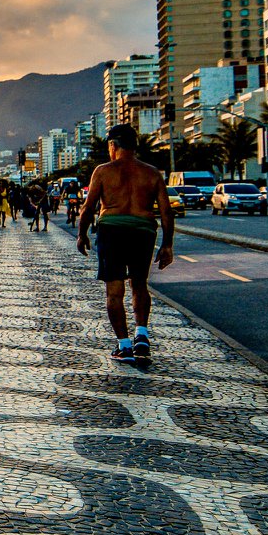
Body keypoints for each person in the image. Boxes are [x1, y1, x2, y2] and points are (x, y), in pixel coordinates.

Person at [76, 123, 175, 365]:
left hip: (112, 231)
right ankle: (142, 335)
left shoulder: (103, 171)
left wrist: (82, 234)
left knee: (114, 291)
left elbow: (88, 208)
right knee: (140, 284)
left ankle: (124, 346)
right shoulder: (152, 173)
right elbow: (166, 212)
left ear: (113, 145)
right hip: (143, 231)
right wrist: (167, 245)